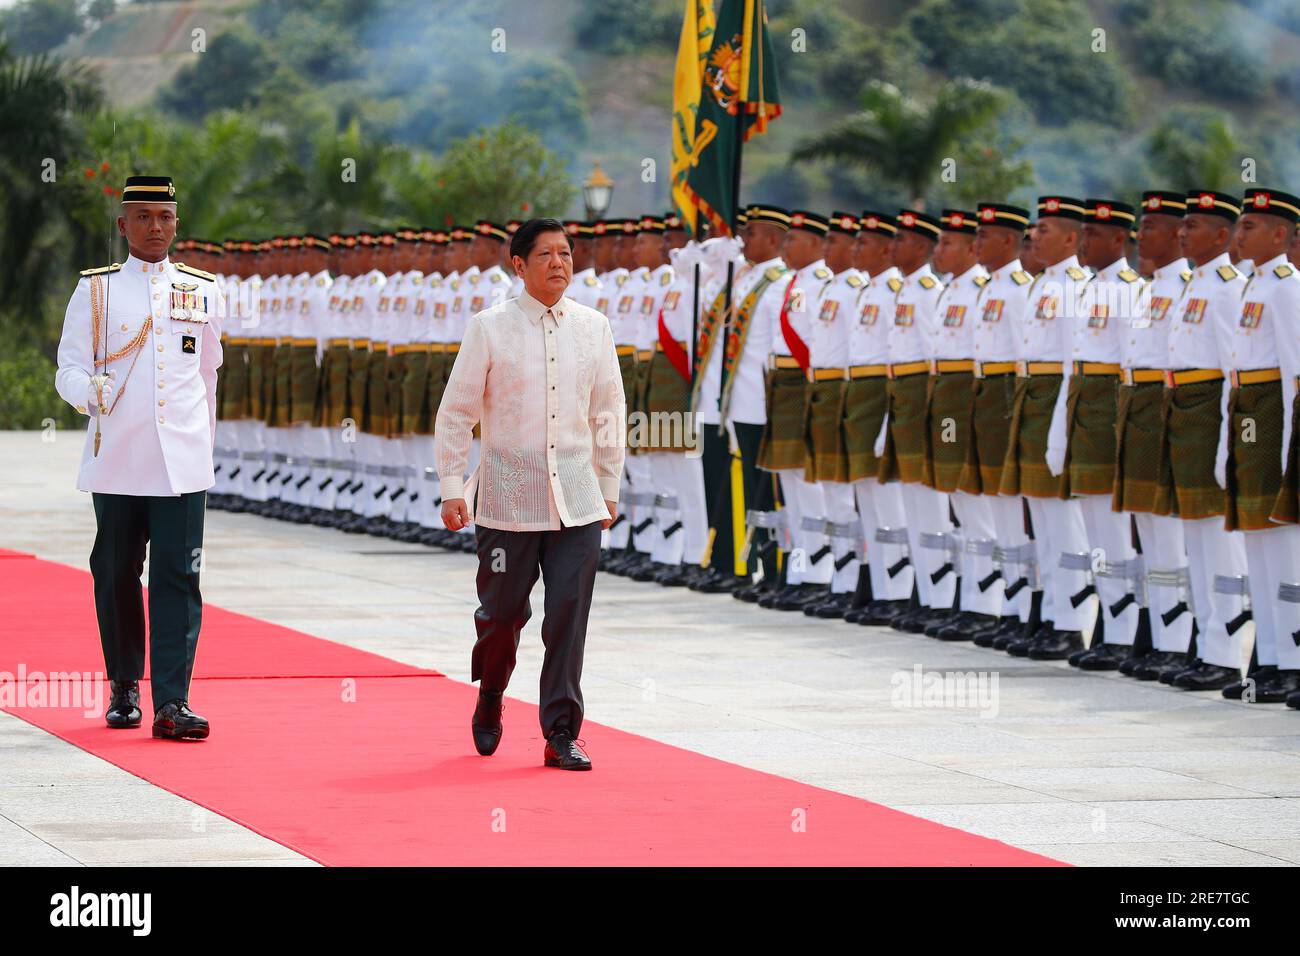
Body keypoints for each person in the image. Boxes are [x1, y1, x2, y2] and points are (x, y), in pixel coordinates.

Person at [434, 218, 626, 771]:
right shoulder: (489, 328)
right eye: (546, 255)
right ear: (518, 265)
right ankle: (491, 690)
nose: (559, 264)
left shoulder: (594, 327)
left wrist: (609, 483)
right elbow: (457, 412)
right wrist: (452, 486)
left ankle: (561, 731)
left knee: (568, 612)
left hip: (578, 501)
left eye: (566, 254)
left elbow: (609, 409)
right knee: (501, 617)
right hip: (507, 499)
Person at [54, 175, 224, 740]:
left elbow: (207, 377)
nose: (156, 227)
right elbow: (69, 367)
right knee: (115, 571)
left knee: (180, 577)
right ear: (122, 224)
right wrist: (88, 393)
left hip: (181, 464)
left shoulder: (202, 289)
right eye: (144, 216)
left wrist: (206, 449)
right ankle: (124, 685)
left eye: (166, 217)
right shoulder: (97, 290)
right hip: (121, 459)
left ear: (177, 223)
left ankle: (172, 703)